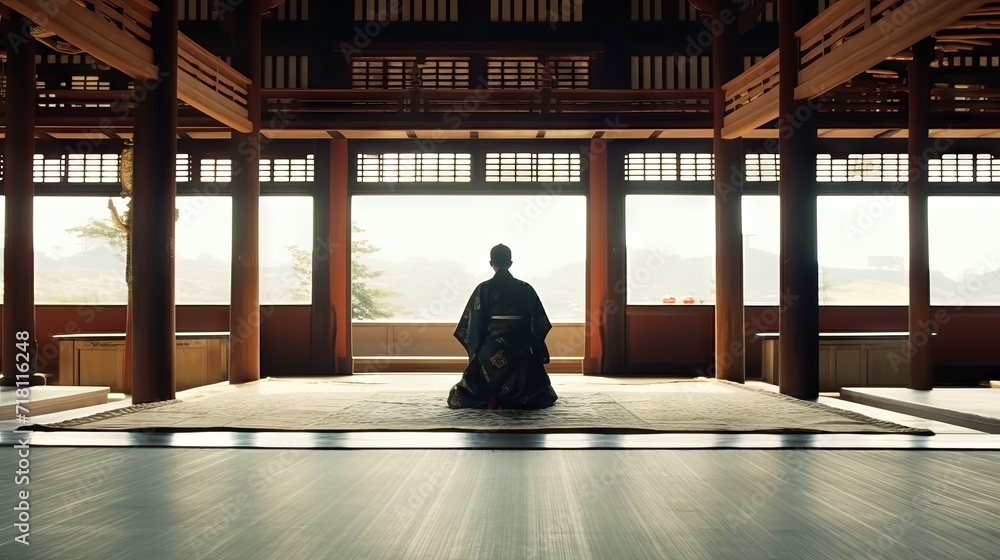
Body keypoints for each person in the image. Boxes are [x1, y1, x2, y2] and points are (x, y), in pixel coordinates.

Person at [447, 244, 558, 409]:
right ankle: (521, 398)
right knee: (537, 387)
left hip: (491, 347)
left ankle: (491, 396)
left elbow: (474, 322)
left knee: (469, 381)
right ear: (511, 263)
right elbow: (537, 321)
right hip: (520, 346)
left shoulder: (483, 288)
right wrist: (535, 345)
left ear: (491, 263)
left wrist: (476, 349)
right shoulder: (525, 288)